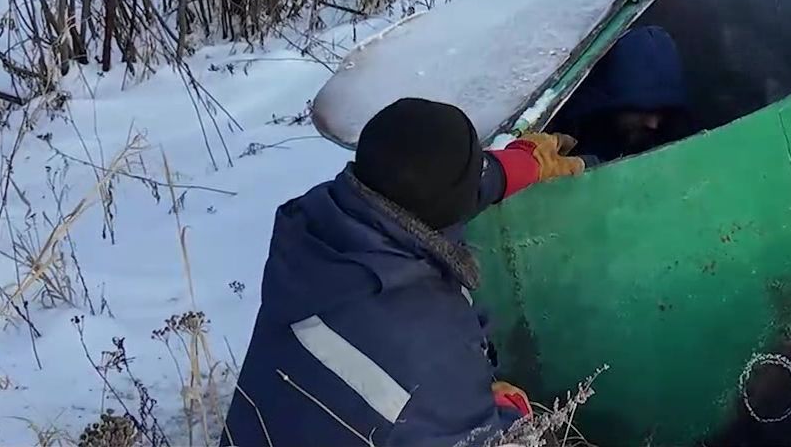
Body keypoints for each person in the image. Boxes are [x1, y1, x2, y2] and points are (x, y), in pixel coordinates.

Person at [221, 97, 584, 446]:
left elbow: (431, 189)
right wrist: (511, 413)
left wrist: (516, 166)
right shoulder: (428, 360)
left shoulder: (317, 234)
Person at [553, 26, 696, 164]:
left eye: (661, 111)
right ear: (608, 105)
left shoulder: (677, 143)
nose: (653, 124)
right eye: (642, 110)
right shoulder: (557, 143)